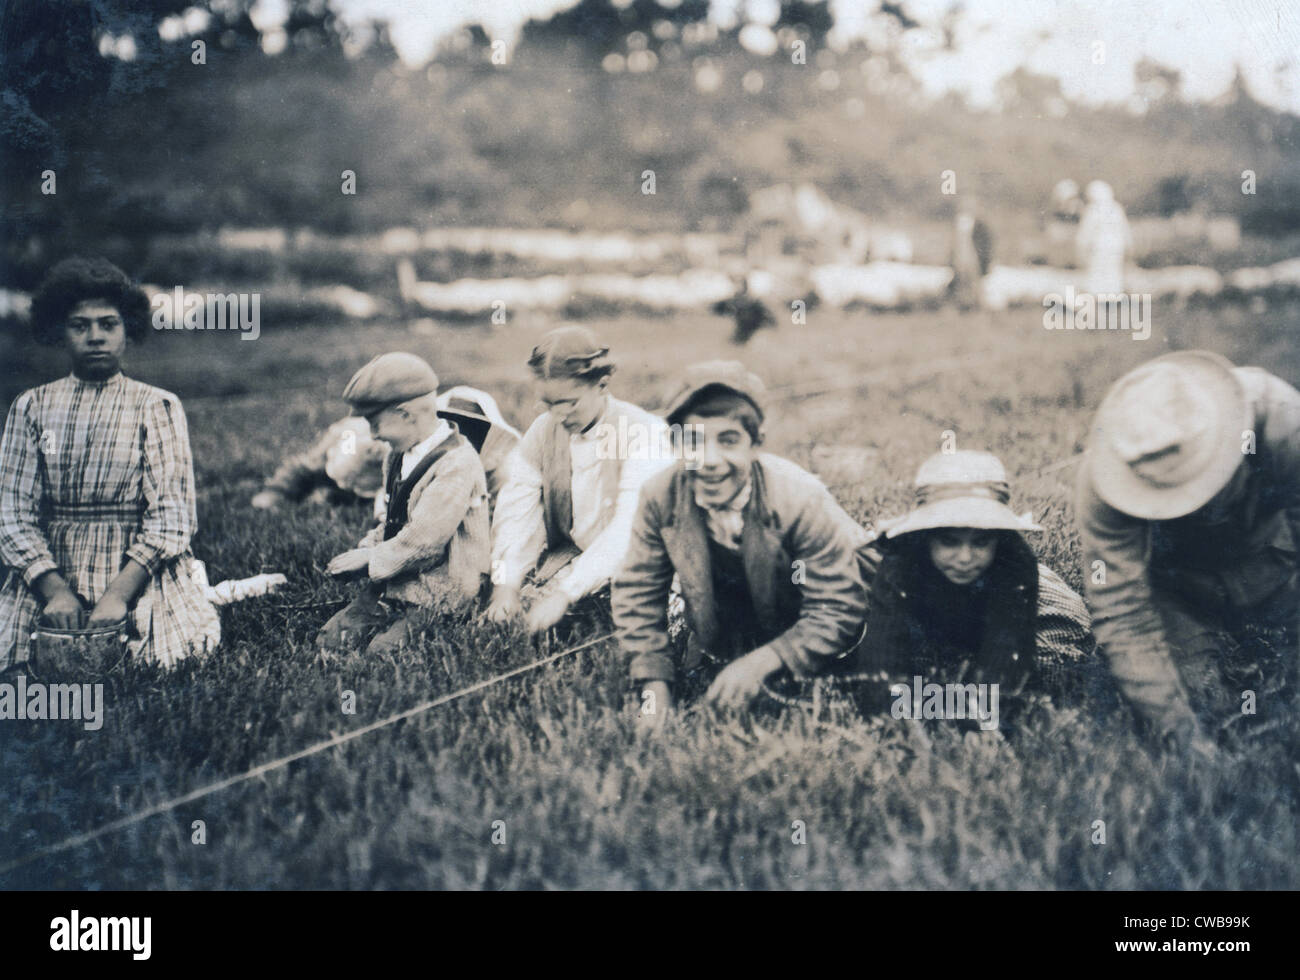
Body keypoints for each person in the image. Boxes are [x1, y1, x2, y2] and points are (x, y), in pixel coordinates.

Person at [614, 361, 873, 729]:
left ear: (756, 445)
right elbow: (638, 594)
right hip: (736, 616)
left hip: (817, 622)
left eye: (729, 440)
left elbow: (839, 606)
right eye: (692, 441)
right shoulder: (660, 495)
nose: (709, 461)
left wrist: (762, 663)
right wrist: (654, 691)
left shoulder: (799, 497)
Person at [0, 257, 220, 669]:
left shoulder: (157, 405)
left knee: (171, 655)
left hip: (137, 566)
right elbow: (11, 513)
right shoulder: (31, 406)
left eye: (108, 324)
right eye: (79, 326)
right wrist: (54, 590)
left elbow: (172, 515)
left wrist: (119, 593)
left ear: (128, 329)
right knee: (16, 658)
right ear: (58, 331)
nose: (95, 337)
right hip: (53, 565)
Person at [1077, 350, 1300, 756]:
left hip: (1274, 563)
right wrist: (1182, 737)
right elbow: (1122, 613)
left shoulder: (1281, 421)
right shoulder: (1103, 485)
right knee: (1209, 704)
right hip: (1181, 591)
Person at [854, 451, 1099, 726]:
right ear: (925, 535)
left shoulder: (1015, 561)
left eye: (981, 543)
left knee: (1049, 673)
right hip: (946, 609)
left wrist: (973, 723)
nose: (965, 557)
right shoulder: (899, 560)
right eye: (949, 542)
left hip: (1038, 608)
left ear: (998, 538)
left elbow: (1005, 664)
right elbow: (883, 656)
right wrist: (889, 717)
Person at [485, 326, 672, 634]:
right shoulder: (544, 431)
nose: (557, 415)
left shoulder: (643, 433)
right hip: (579, 558)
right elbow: (515, 514)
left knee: (638, 628)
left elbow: (629, 530)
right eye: (547, 403)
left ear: (602, 385)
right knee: (526, 619)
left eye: (569, 402)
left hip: (649, 559)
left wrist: (566, 593)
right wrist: (505, 587)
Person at [316, 353, 490, 656]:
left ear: (406, 414)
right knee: (330, 640)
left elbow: (425, 541)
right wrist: (369, 545)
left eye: (375, 424)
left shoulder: (457, 463)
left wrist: (370, 559)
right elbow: (392, 518)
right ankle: (389, 601)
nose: (373, 435)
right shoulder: (396, 455)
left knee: (382, 654)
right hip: (401, 576)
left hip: (444, 587)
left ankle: (434, 616)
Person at [250, 386, 520, 514]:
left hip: (402, 496)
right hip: (362, 459)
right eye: (451, 426)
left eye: (472, 431)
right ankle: (284, 489)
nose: (459, 436)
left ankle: (339, 497)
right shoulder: (394, 441)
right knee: (336, 458)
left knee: (349, 498)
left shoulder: (493, 469)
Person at [1076, 180, 1132, 295]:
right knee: (1113, 271)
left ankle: (1100, 295)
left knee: (1099, 271)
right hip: (1116, 245)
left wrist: (1081, 246)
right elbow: (1125, 229)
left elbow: (1085, 232)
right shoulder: (1116, 208)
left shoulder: (1093, 210)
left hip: (1100, 246)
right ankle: (1113, 295)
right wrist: (1128, 245)